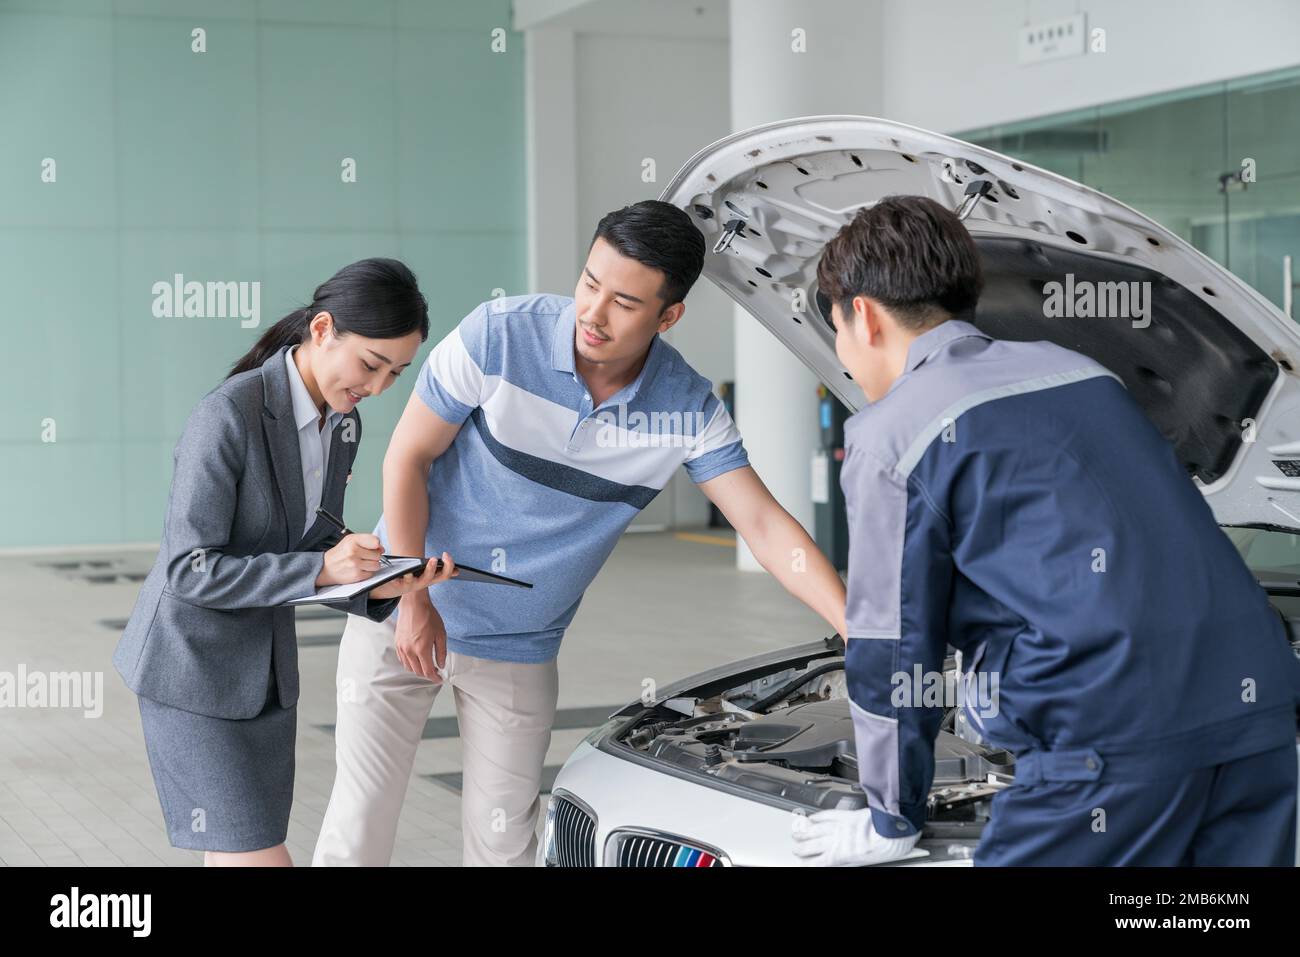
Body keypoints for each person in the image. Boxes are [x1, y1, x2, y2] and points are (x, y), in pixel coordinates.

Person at [313, 200, 850, 866]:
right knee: (359, 822)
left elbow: (765, 525)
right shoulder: (497, 336)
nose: (593, 312)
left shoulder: (686, 409)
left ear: (668, 316)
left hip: (519, 643)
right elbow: (408, 457)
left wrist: (853, 623)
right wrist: (412, 594)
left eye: (624, 301)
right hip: (398, 607)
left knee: (505, 840)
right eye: (590, 282)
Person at [791, 195, 1300, 867]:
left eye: (836, 334)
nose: (846, 363)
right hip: (1258, 714)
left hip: (1107, 744)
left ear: (862, 314)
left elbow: (892, 642)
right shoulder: (1086, 374)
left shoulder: (891, 436)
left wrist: (890, 813)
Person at [113, 258, 456, 866]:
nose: (377, 388)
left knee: (232, 855)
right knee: (257, 856)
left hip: (264, 676)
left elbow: (310, 545)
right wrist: (326, 567)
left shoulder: (341, 426)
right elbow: (188, 570)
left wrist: (387, 582)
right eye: (371, 365)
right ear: (322, 329)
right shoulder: (227, 417)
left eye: (396, 373)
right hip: (192, 674)